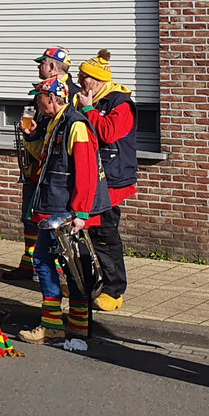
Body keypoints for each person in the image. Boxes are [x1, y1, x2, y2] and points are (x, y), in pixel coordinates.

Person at [17, 76, 110, 345]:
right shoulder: (58, 123)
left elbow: (87, 172)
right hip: (58, 209)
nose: (37, 102)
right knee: (72, 267)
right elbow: (47, 161)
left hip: (64, 212)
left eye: (40, 97)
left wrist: (81, 213)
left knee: (45, 261)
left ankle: (53, 325)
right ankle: (77, 326)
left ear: (53, 98)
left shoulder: (75, 125)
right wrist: (33, 136)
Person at [4, 46, 76, 280]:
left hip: (56, 171)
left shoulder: (71, 94)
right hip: (36, 163)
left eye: (41, 63)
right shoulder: (42, 91)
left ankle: (53, 270)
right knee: (30, 215)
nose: (38, 67)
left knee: (50, 220)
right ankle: (29, 263)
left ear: (52, 66)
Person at [76, 50, 137, 312]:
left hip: (112, 180)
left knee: (106, 234)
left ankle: (114, 289)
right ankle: (89, 282)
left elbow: (109, 133)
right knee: (86, 233)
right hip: (91, 177)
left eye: (84, 77)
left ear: (98, 80)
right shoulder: (87, 100)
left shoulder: (120, 103)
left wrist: (89, 109)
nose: (79, 80)